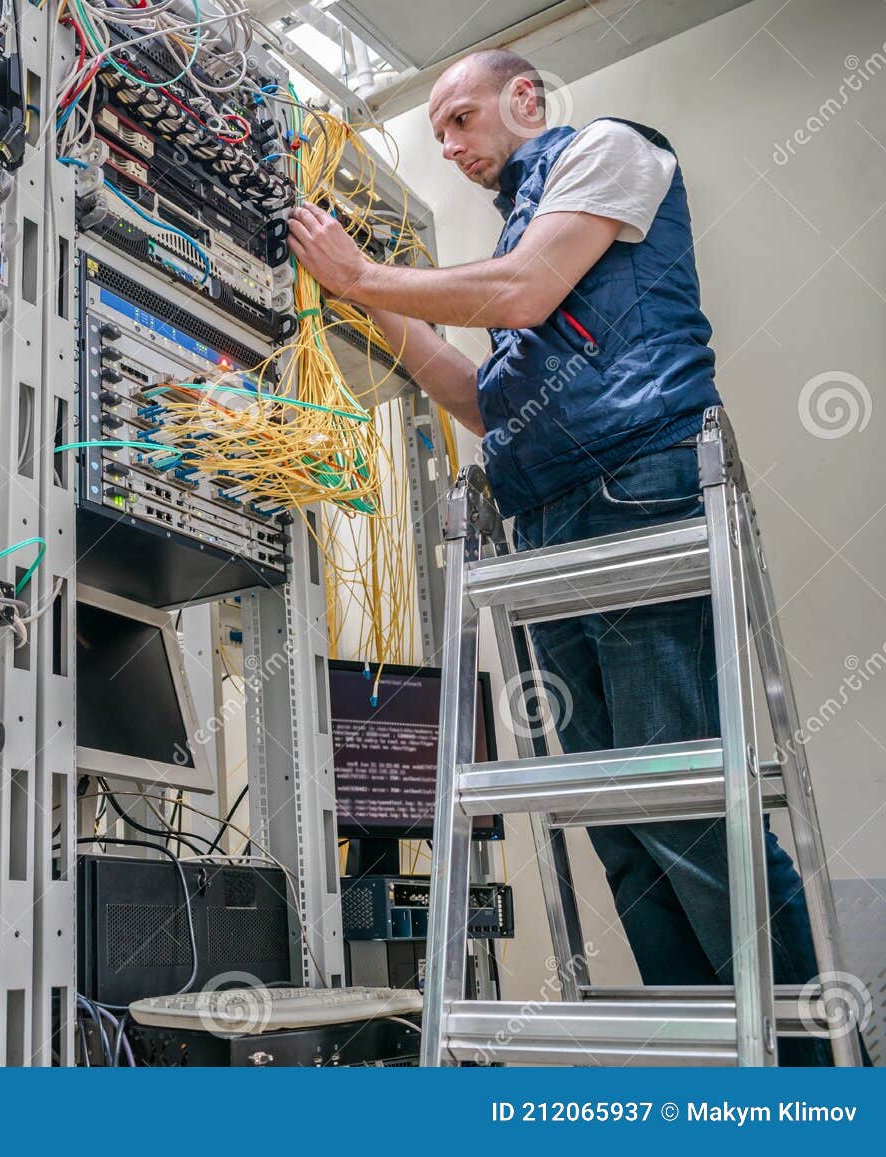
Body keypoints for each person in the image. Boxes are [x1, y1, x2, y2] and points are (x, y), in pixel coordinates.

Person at [286, 49, 829, 1064]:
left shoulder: (609, 152)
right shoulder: (516, 239)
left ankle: (809, 1081)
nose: (446, 145)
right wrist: (354, 296)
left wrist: (364, 271)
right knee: (615, 830)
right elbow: (475, 396)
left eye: (458, 118)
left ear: (525, 96)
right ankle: (721, 1075)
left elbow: (525, 291)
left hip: (636, 490)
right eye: (437, 130)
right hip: (546, 524)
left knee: (678, 807)